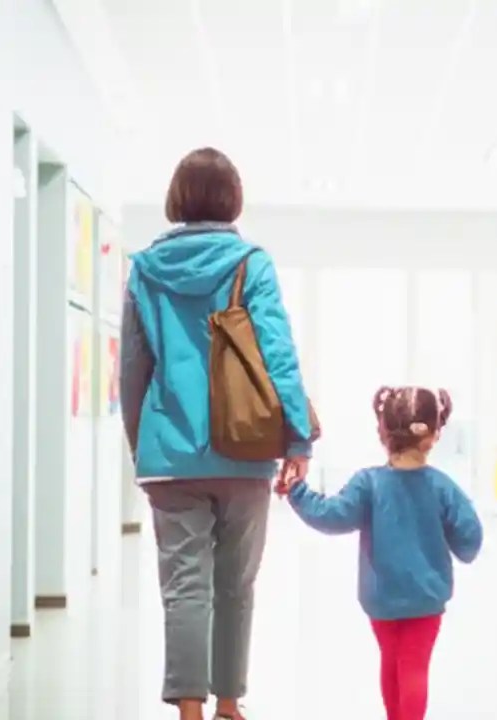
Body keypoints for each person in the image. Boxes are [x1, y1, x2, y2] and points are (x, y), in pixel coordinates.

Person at [120, 147, 313, 720]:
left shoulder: (145, 269)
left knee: (183, 587)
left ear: (177, 199)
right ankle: (229, 703)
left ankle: (189, 713)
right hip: (245, 449)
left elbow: (133, 369)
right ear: (233, 199)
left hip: (170, 452)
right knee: (236, 585)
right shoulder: (252, 264)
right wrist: (297, 438)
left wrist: (144, 446)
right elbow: (277, 352)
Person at [279, 386, 484, 720]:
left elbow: (331, 516)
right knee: (414, 668)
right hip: (426, 600)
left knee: (390, 662)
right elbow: (470, 541)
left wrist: (298, 492)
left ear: (383, 430)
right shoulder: (443, 487)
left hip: (381, 600)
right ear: (433, 436)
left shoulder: (368, 483)